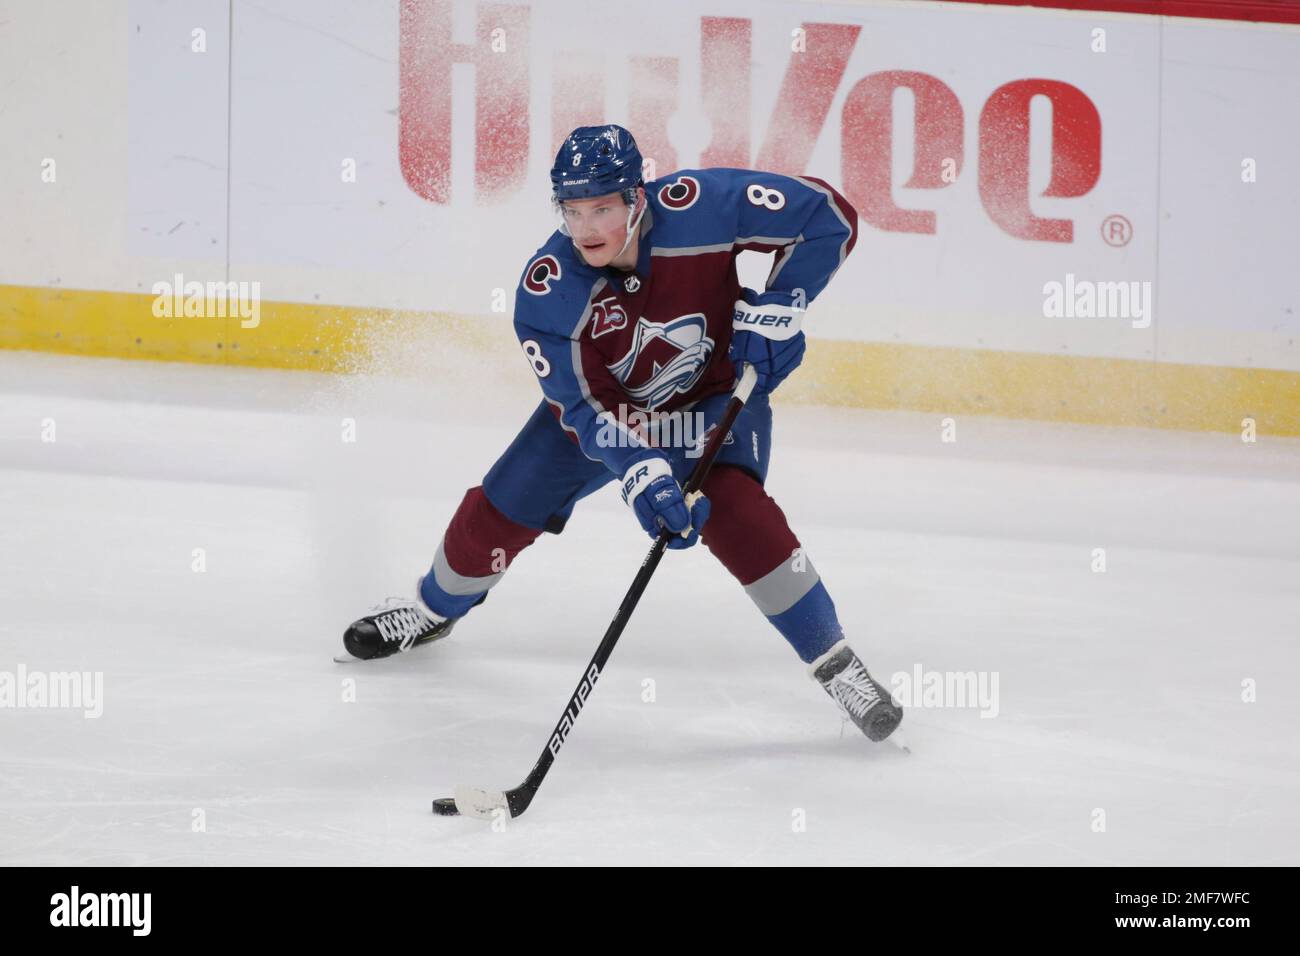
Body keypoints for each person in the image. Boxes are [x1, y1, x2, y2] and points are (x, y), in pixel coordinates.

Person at [340, 124, 902, 743]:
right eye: (573, 210)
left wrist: (782, 305)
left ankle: (836, 663)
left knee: (740, 515)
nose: (586, 228)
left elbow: (826, 215)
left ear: (638, 197)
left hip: (709, 401)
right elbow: (582, 407)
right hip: (605, 415)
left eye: (602, 207)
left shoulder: (703, 206)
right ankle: (429, 611)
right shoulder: (548, 290)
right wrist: (641, 469)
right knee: (494, 518)